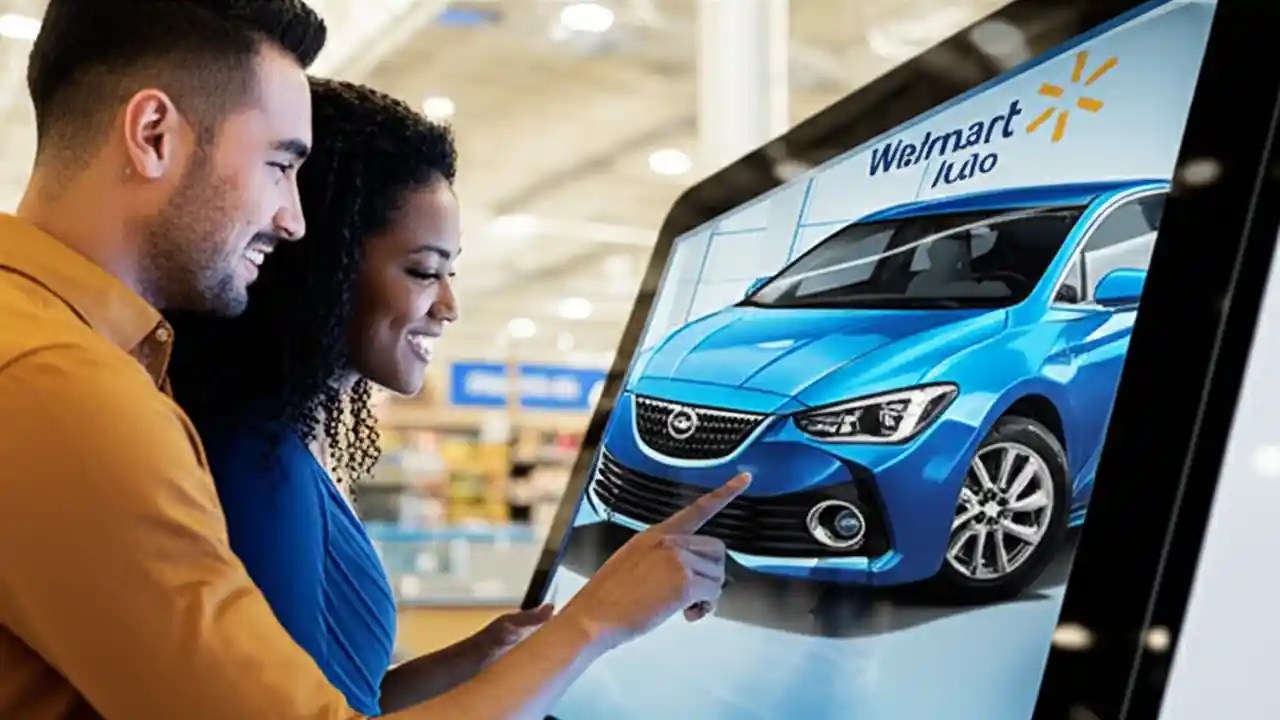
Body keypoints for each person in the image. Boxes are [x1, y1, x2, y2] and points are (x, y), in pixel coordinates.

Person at [0, 1, 747, 718]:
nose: (292, 221)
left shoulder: (84, 364)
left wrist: (494, 659)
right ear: (153, 134)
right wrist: (598, 624)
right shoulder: (60, 387)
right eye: (278, 165)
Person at [165, 75, 750, 717]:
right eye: (422, 271)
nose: (448, 305)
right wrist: (596, 623)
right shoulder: (249, 458)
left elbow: (330, 698)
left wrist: (480, 658)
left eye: (452, 271)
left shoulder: (273, 441)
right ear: (322, 268)